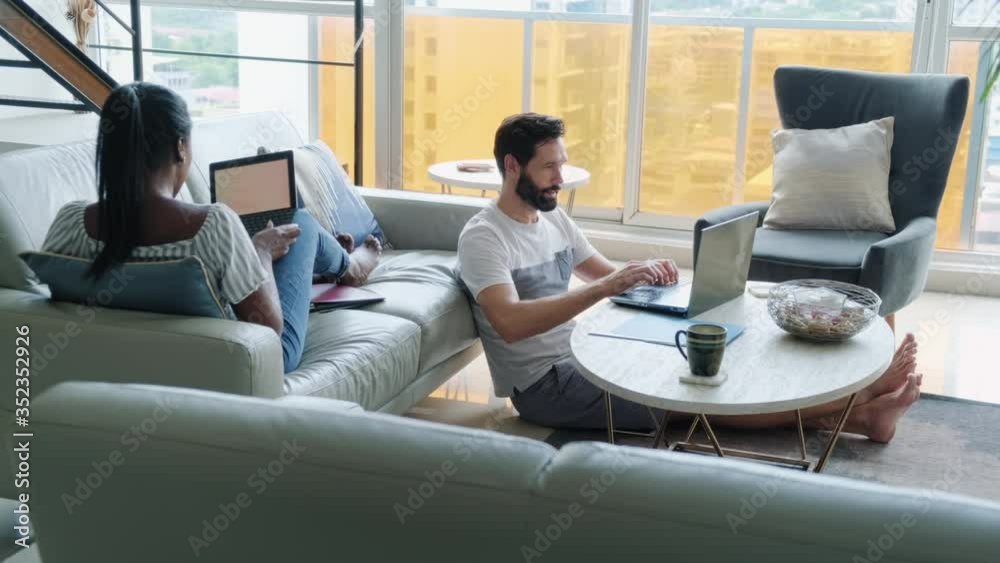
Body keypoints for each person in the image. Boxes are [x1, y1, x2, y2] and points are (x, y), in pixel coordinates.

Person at [457, 112, 922, 443]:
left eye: (562, 163)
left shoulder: (552, 217)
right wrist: (606, 287)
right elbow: (511, 324)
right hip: (543, 387)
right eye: (549, 167)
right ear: (512, 167)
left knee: (699, 361)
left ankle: (863, 418)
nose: (560, 177)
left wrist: (644, 274)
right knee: (688, 398)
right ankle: (860, 401)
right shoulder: (484, 238)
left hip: (582, 355)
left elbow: (604, 274)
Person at [40, 82, 381, 373]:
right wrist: (258, 251)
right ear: (179, 147)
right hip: (249, 362)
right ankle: (351, 267)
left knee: (270, 248)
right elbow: (267, 332)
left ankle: (323, 268)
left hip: (114, 367)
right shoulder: (212, 225)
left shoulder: (68, 223)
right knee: (300, 221)